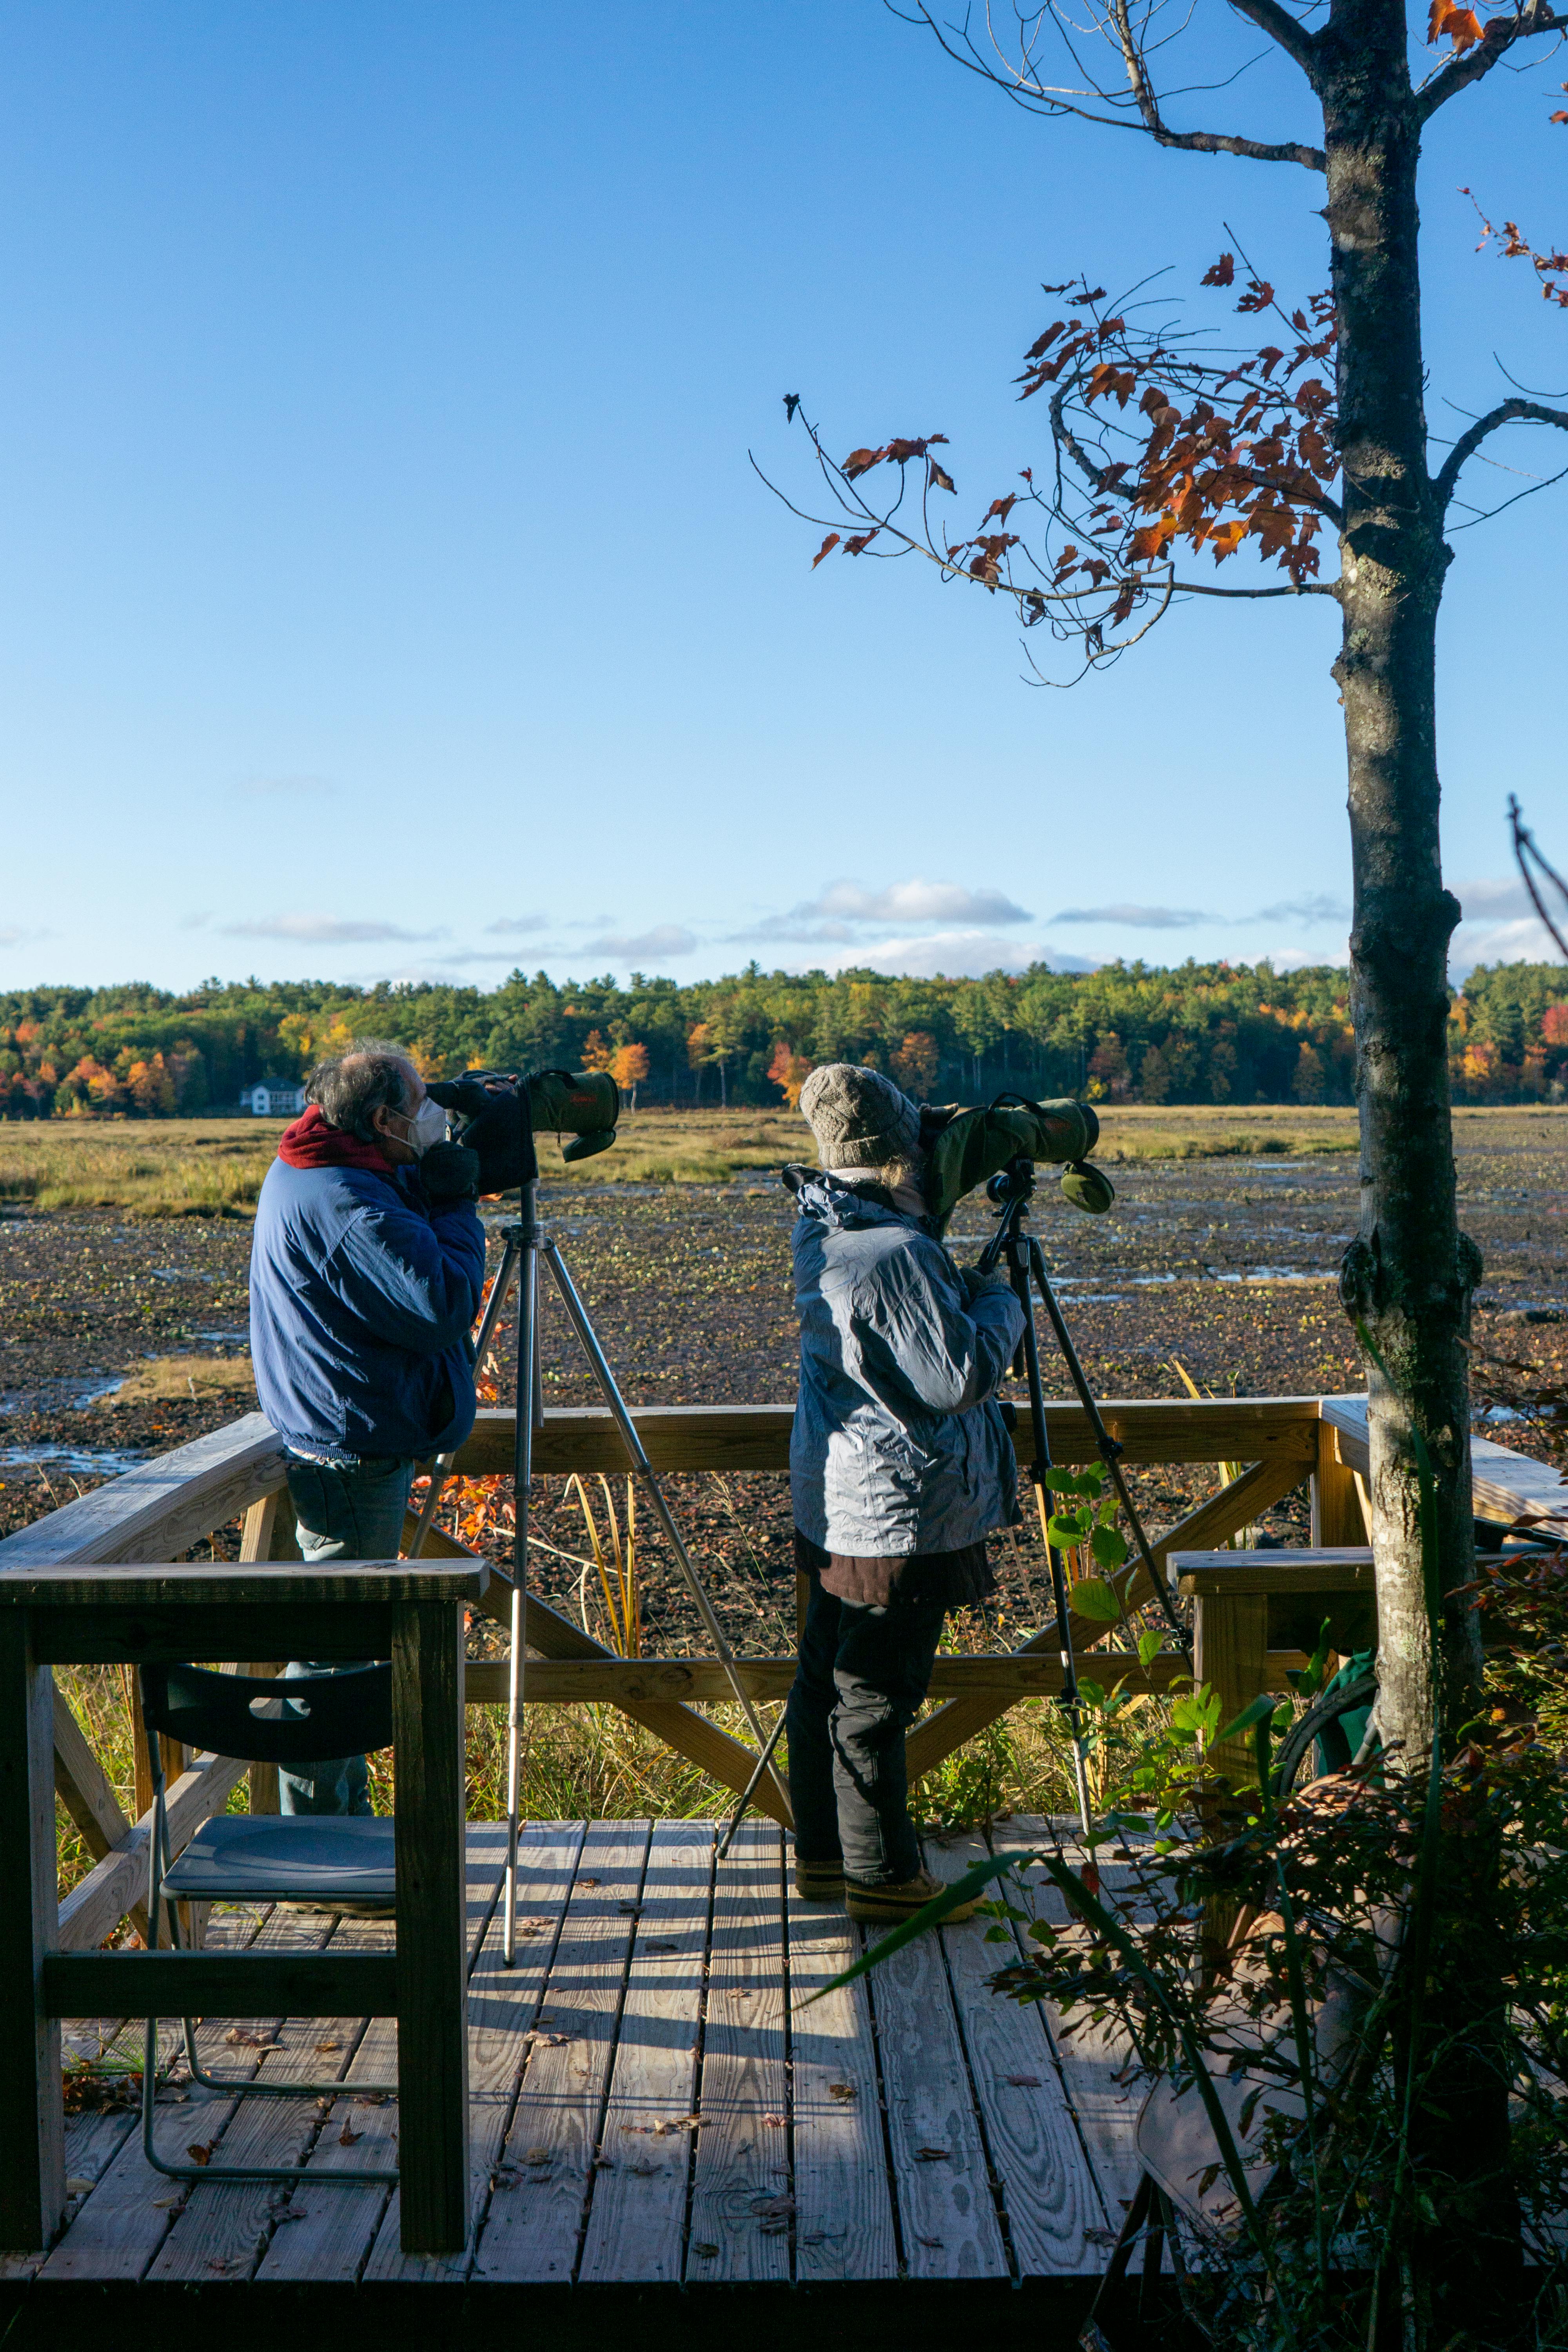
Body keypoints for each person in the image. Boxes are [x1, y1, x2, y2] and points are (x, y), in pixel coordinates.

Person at [783, 1063, 1027, 1925]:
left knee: (824, 1680)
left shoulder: (825, 1224)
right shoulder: (892, 1251)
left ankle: (822, 1856)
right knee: (875, 1700)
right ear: (899, 1152)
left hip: (837, 1497)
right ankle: (882, 1878)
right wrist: (1000, 1301)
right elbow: (954, 1376)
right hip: (899, 1510)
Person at [249, 1041, 486, 1814]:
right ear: (383, 1120)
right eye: (424, 1107)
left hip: (338, 1425)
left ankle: (334, 1822)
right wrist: (455, 1203)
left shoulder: (317, 1168)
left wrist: (428, 1178)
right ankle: (319, 1838)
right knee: (336, 1655)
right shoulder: (349, 1203)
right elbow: (441, 1305)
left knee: (342, 1645)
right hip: (350, 1444)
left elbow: (387, 1229)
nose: (437, 1118)